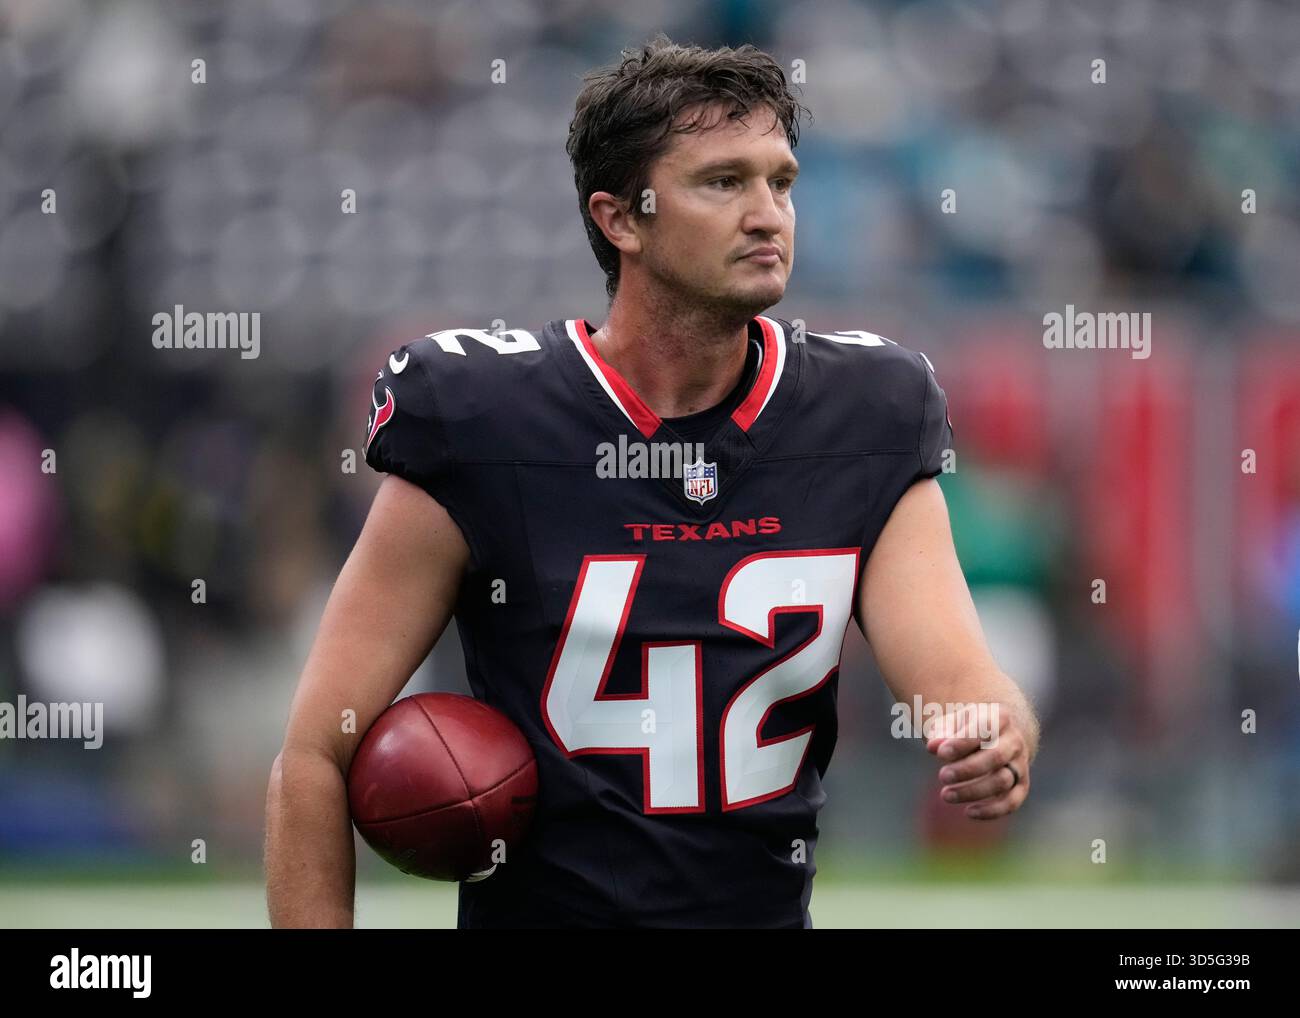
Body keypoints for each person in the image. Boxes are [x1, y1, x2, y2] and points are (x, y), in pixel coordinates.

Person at [265, 35, 1039, 929]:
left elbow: (958, 680)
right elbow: (317, 752)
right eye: (722, 182)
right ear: (620, 218)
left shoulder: (865, 413)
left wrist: (992, 729)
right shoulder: (485, 420)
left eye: (780, 182)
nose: (768, 215)